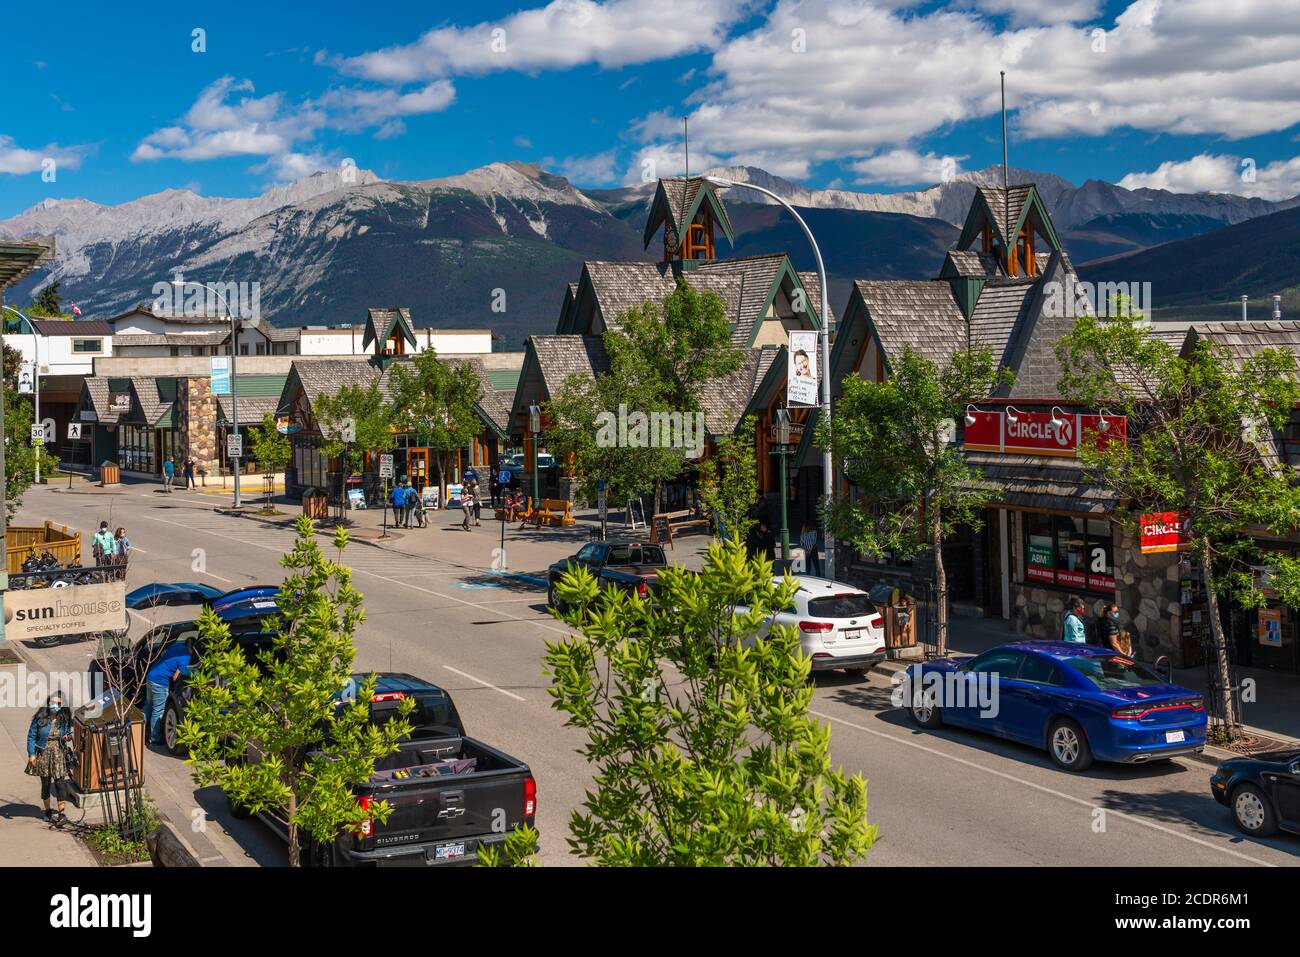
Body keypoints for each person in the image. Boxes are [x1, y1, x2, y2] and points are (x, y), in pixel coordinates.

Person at [27, 692, 74, 825]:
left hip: (58, 753)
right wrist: (32, 754)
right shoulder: (40, 718)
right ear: (48, 702)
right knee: (46, 784)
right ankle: (47, 811)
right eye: (52, 702)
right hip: (43, 753)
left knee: (60, 783)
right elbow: (31, 736)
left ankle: (62, 814)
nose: (55, 705)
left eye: (58, 703)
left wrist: (67, 737)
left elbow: (68, 733)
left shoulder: (64, 717)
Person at [145, 640, 193, 747]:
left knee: (148, 706)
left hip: (151, 675)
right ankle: (155, 738)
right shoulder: (186, 658)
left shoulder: (177, 646)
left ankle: (139, 730)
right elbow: (176, 677)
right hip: (160, 682)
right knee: (158, 710)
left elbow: (164, 654)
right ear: (191, 649)